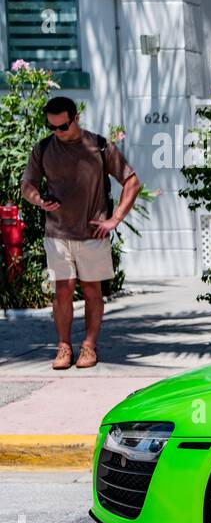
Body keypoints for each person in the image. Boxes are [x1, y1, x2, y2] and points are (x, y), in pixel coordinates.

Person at [19, 97, 141, 370]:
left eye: (62, 127)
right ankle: (64, 347)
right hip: (57, 232)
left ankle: (89, 346)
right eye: (51, 127)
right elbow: (27, 184)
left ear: (76, 118)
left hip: (93, 233)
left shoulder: (98, 146)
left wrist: (115, 219)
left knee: (91, 290)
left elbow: (132, 182)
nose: (57, 133)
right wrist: (39, 200)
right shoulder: (43, 148)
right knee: (62, 291)